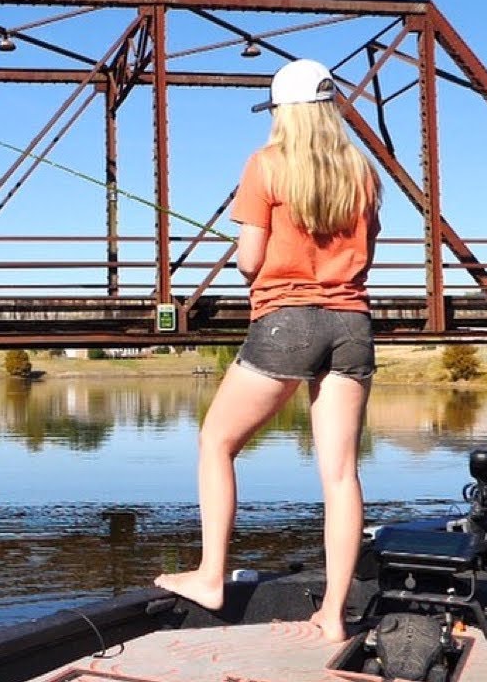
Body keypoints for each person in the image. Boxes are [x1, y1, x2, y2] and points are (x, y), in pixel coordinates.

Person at [154, 58, 381, 643]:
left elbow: (252, 262)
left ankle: (210, 576)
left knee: (216, 441)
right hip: (352, 324)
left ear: (284, 113)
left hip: (286, 322)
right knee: (339, 475)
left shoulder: (266, 165)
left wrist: (247, 258)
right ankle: (332, 615)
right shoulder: (363, 171)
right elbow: (366, 256)